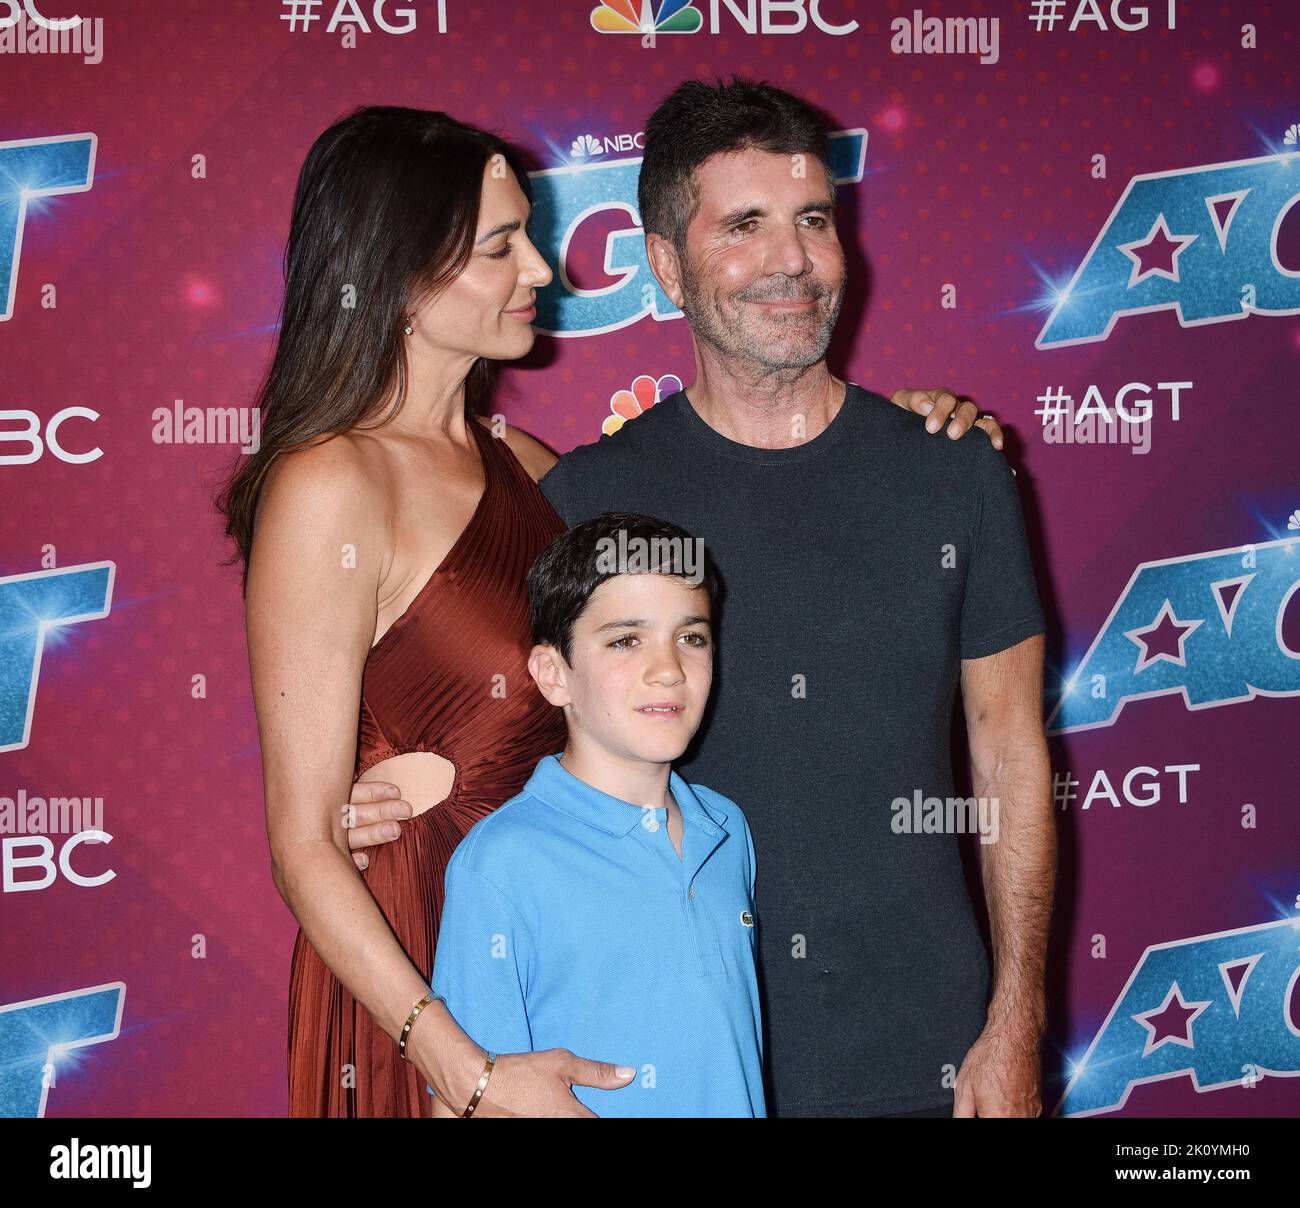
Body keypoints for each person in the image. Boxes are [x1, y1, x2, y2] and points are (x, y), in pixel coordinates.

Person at [227, 102, 994, 1118]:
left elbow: (733, 548)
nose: (545, 274)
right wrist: (464, 1066)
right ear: (402, 274)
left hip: (598, 941)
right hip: (422, 964)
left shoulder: (539, 474)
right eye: (503, 247)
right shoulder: (330, 483)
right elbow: (305, 839)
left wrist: (919, 433)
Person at [428, 512, 764, 1118]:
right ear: (554, 675)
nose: (668, 669)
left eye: (692, 636)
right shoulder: (501, 862)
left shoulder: (726, 830)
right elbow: (461, 1102)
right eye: (626, 640)